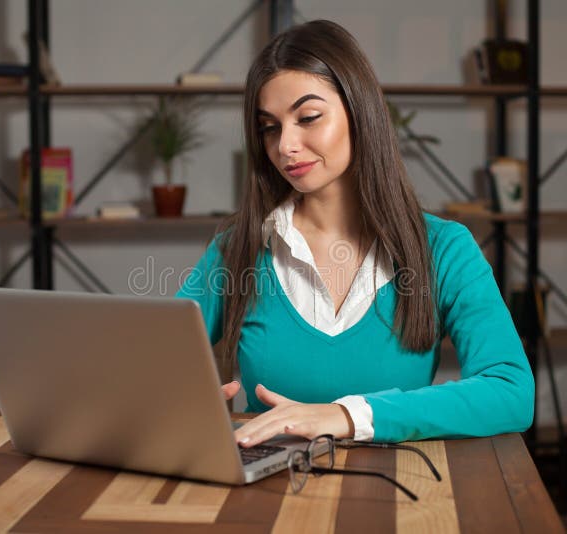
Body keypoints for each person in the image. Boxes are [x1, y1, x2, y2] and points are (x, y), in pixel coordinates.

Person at [176, 20, 534, 447]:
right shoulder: (237, 249)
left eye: (308, 117)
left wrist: (347, 415)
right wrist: (177, 401)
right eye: (269, 127)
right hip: (267, 497)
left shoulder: (445, 250)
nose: (285, 145)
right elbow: (149, 363)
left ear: (359, 112)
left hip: (400, 496)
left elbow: (511, 392)